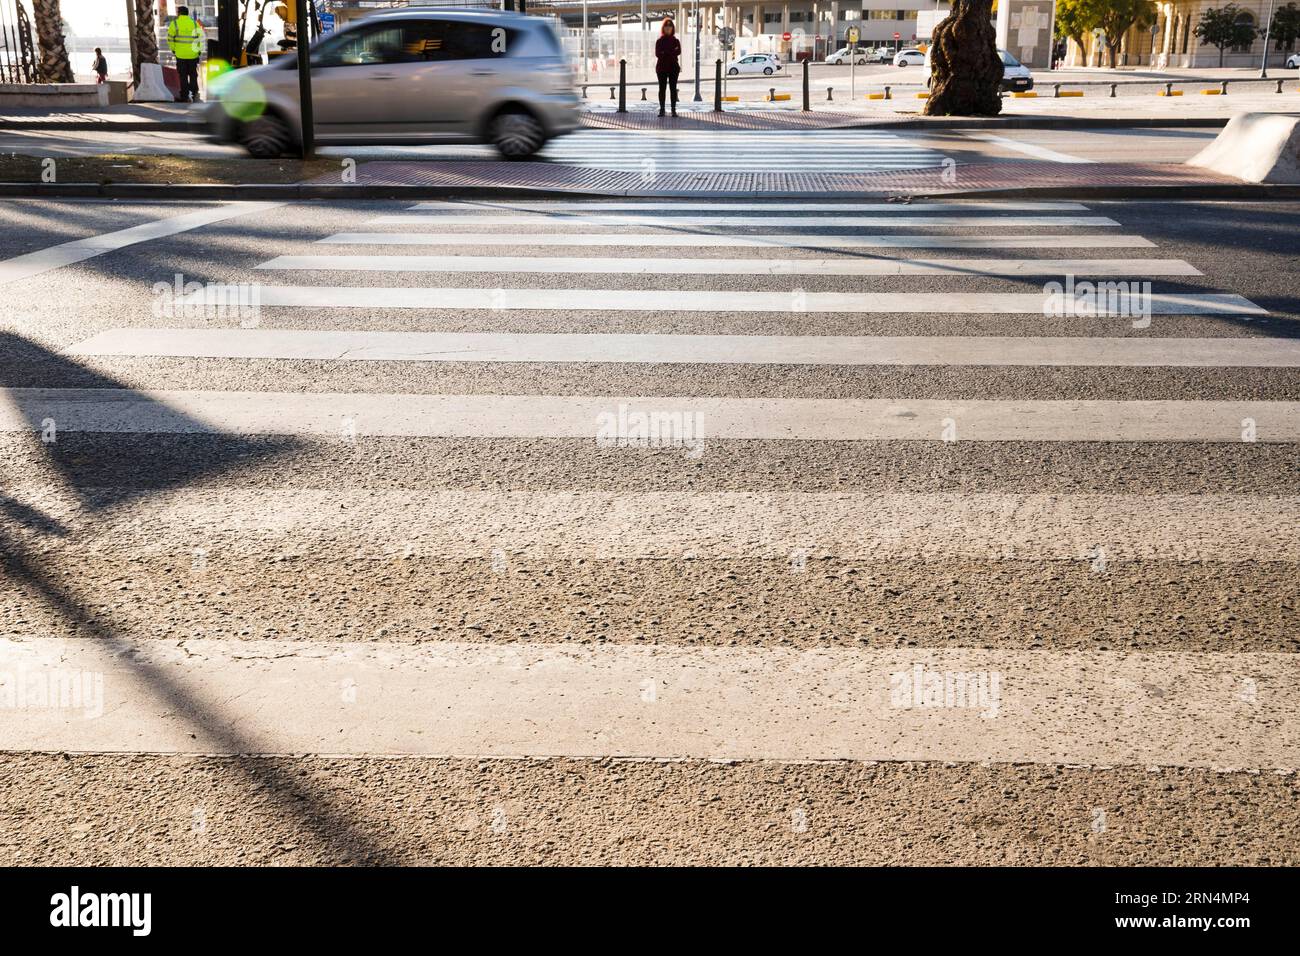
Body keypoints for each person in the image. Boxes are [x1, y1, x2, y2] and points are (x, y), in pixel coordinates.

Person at [167, 5, 206, 104]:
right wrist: (199, 50)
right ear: (187, 13)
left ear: (179, 13)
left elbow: (170, 39)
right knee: (193, 74)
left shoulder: (174, 24)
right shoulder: (194, 23)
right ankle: (194, 93)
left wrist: (173, 49)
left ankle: (185, 95)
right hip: (193, 55)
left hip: (180, 55)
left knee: (183, 75)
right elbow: (201, 38)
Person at [655, 18, 681, 117]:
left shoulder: (676, 41)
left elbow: (678, 51)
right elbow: (658, 54)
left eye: (670, 26)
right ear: (663, 28)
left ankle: (673, 110)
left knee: (673, 89)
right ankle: (662, 109)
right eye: (666, 26)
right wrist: (671, 51)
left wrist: (665, 52)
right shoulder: (659, 41)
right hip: (661, 68)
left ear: (672, 28)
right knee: (662, 89)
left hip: (673, 68)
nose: (668, 28)